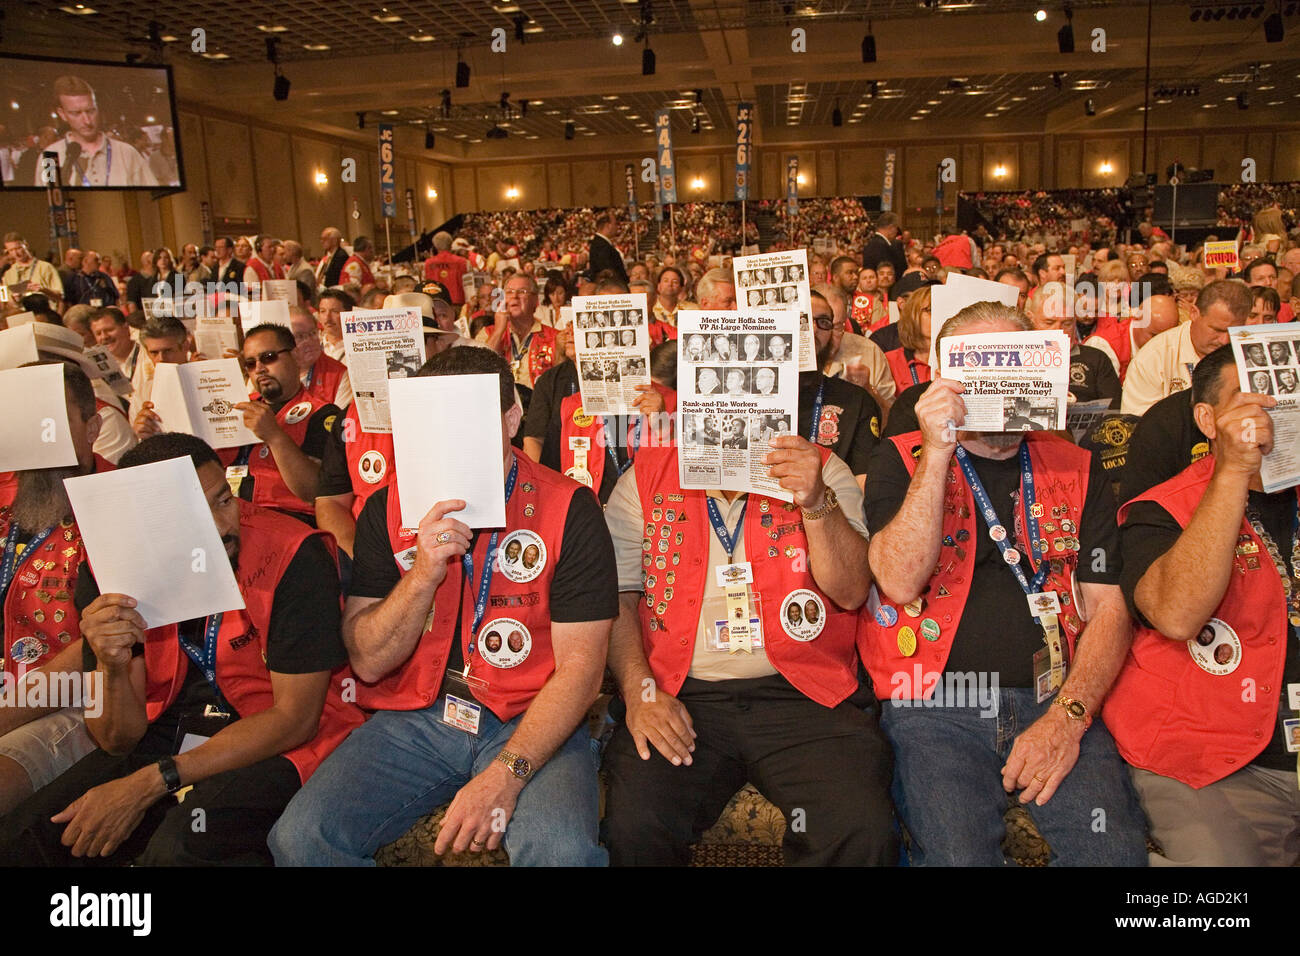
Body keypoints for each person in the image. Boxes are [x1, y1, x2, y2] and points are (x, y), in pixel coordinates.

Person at [269, 347, 616, 866]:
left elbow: (583, 672)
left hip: (529, 713)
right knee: (300, 837)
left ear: (512, 417)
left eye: (469, 419)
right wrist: (423, 575)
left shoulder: (569, 507)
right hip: (420, 714)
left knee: (560, 851)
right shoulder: (387, 506)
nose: (452, 437)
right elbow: (366, 660)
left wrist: (505, 776)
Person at [862, 301, 1147, 866]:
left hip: (1054, 697)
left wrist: (1070, 715)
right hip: (933, 701)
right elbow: (898, 580)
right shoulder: (901, 458)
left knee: (1112, 853)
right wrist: (938, 449)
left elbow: (1109, 610)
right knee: (958, 859)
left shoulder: (1075, 464)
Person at [0, 433, 363, 865]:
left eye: (223, 500)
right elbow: (117, 738)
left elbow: (295, 720)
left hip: (278, 737)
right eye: (192, 512)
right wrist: (111, 667)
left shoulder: (291, 553)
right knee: (30, 839)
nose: (222, 524)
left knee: (180, 845)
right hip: (173, 728)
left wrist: (152, 782)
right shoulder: (107, 570)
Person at [601, 375, 895, 866]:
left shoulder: (821, 468)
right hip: (682, 691)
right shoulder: (647, 475)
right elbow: (618, 598)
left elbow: (850, 590)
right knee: (634, 826)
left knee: (859, 827)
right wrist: (640, 693)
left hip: (803, 693)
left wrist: (815, 500)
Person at [1107, 345, 1300, 865]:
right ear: (1206, 419)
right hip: (1214, 758)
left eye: (1282, 396)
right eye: (1248, 400)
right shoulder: (1161, 507)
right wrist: (1235, 471)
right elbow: (1175, 614)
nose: (1268, 411)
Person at [0, 364, 112, 814]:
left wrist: (6, 712)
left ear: (93, 427)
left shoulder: (116, 503)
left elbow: (99, 646)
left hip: (69, 699)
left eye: (50, 417)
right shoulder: (5, 494)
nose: (37, 433)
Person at [231, 323, 340, 523]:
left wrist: (275, 437)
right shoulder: (240, 407)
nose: (260, 369)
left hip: (292, 525)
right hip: (237, 519)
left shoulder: (323, 415)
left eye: (268, 358)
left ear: (296, 356)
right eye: (250, 363)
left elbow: (314, 492)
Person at [1121, 281, 1254, 416]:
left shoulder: (1251, 351)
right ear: (1194, 313)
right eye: (1217, 330)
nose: (1225, 340)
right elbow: (1138, 426)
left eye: (1233, 332)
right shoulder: (1152, 359)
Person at [35, 76, 155, 187]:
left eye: (91, 111)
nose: (87, 121)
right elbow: (48, 201)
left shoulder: (127, 153)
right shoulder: (50, 157)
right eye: (76, 113)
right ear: (62, 114)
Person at [1028, 281, 1121, 407]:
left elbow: (1114, 413)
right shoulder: (1015, 358)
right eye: (1049, 322)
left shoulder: (1097, 359)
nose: (1058, 331)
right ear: (1031, 319)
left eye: (1067, 323)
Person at [1083, 279, 1179, 383]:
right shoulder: (1103, 345)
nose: (1161, 344)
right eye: (1154, 336)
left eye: (1167, 338)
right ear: (1138, 319)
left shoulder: (1172, 345)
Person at [478, 275, 559, 390]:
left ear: (535, 300)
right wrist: (499, 331)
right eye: (509, 292)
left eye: (522, 291)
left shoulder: (555, 337)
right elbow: (478, 370)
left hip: (537, 404)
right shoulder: (487, 333)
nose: (515, 296)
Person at [290, 306, 351, 410]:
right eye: (300, 336)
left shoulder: (339, 375)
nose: (309, 341)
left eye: (313, 333)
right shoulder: (273, 369)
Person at [2, 234, 62, 310]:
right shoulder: (9, 274)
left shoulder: (45, 267)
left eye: (18, 248)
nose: (15, 253)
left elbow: (60, 296)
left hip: (43, 313)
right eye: (11, 250)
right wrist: (15, 299)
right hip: (21, 316)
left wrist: (43, 290)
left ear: (26, 245)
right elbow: (7, 303)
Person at [423, 231, 469, 304]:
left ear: (435, 246)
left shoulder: (428, 263)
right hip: (457, 301)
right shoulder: (462, 262)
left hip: (436, 302)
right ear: (450, 244)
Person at [588, 211, 628, 285]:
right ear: (608, 226)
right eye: (616, 224)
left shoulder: (601, 244)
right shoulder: (601, 246)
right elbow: (608, 272)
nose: (617, 227)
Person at [317, 288, 352, 362]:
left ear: (348, 314)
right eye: (323, 311)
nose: (327, 318)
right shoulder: (314, 347)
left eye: (334, 311)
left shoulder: (356, 347)